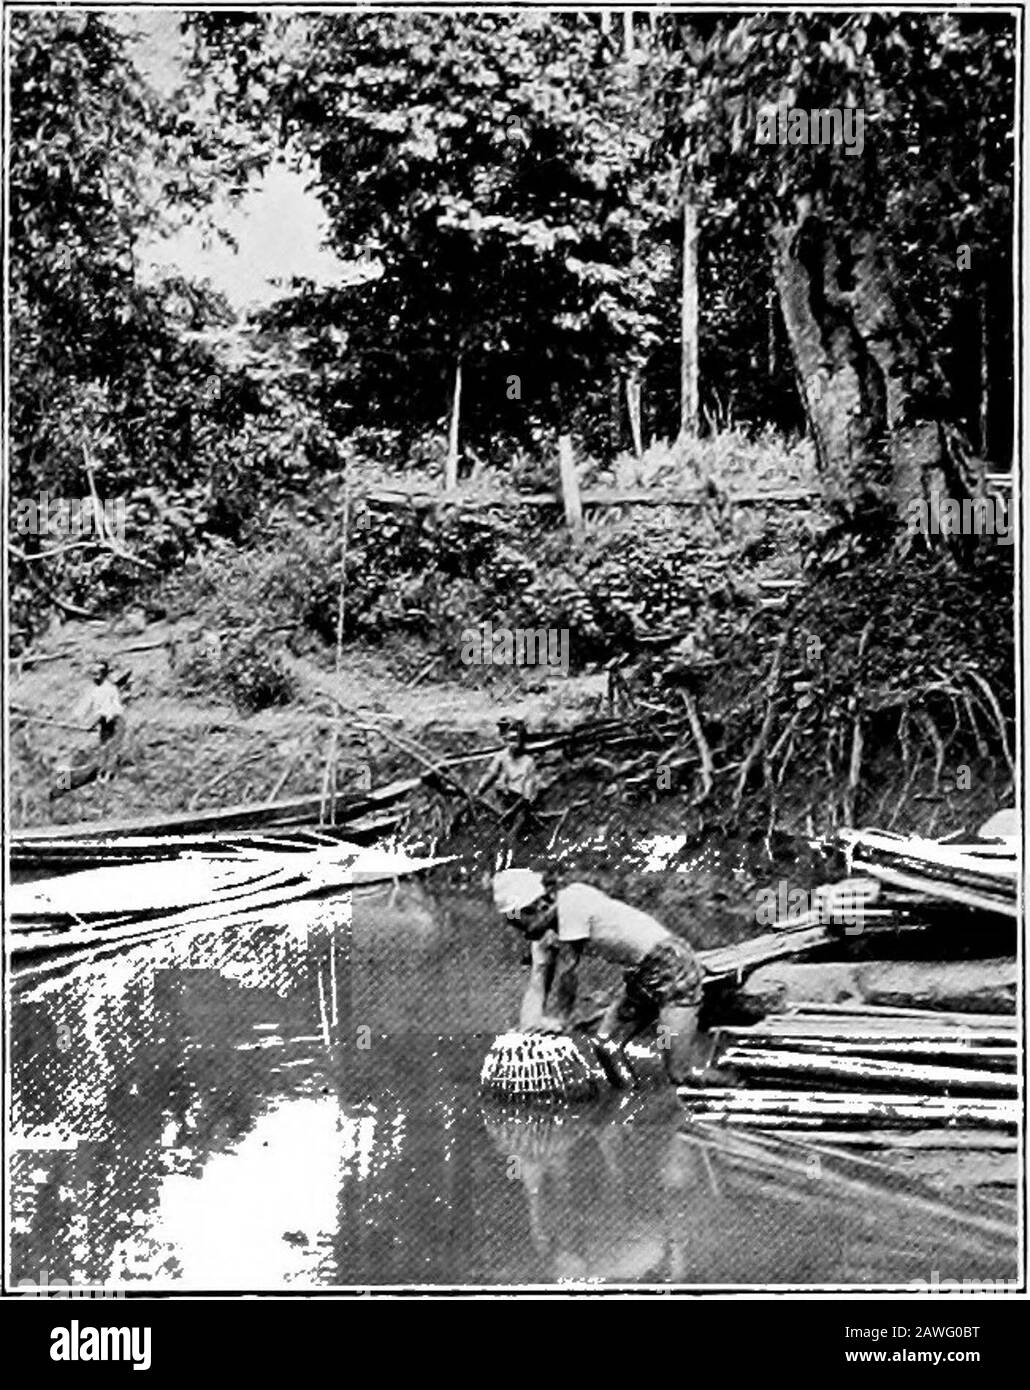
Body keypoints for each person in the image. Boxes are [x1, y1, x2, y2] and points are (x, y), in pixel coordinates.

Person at [491, 867, 706, 1086]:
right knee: (606, 1047)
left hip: (674, 966)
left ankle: (736, 1082)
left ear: (541, 904)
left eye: (516, 919)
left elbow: (568, 969)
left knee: (678, 1072)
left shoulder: (572, 901)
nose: (517, 928)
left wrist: (559, 1019)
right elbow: (538, 982)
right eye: (510, 920)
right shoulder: (545, 933)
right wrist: (529, 1027)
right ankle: (628, 1104)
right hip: (642, 976)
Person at [477, 719, 539, 828]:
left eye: (515, 740)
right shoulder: (502, 756)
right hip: (501, 800)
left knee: (516, 830)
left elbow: (527, 795)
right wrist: (478, 790)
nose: (512, 744)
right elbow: (490, 773)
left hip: (519, 805)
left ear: (522, 741)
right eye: (510, 740)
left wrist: (513, 812)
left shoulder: (528, 762)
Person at [72, 659, 126, 780]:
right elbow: (85, 706)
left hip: (115, 722)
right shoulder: (95, 690)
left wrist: (91, 724)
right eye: (92, 674)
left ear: (104, 674)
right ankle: (101, 774)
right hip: (104, 724)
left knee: (111, 748)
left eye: (97, 674)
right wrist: (77, 718)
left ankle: (109, 776)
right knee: (103, 748)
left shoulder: (110, 689)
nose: (94, 677)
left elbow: (104, 711)